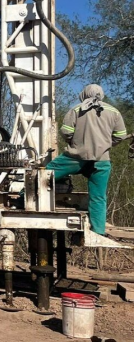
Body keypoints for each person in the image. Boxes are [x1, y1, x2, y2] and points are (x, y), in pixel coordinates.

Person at [47, 84, 126, 235]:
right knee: (98, 197)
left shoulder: (77, 109)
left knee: (45, 174)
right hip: (102, 160)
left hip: (76, 158)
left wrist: (75, 143)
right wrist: (106, 145)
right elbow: (121, 135)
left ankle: (20, 199)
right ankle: (98, 231)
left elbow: (66, 132)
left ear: (84, 94)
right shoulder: (114, 112)